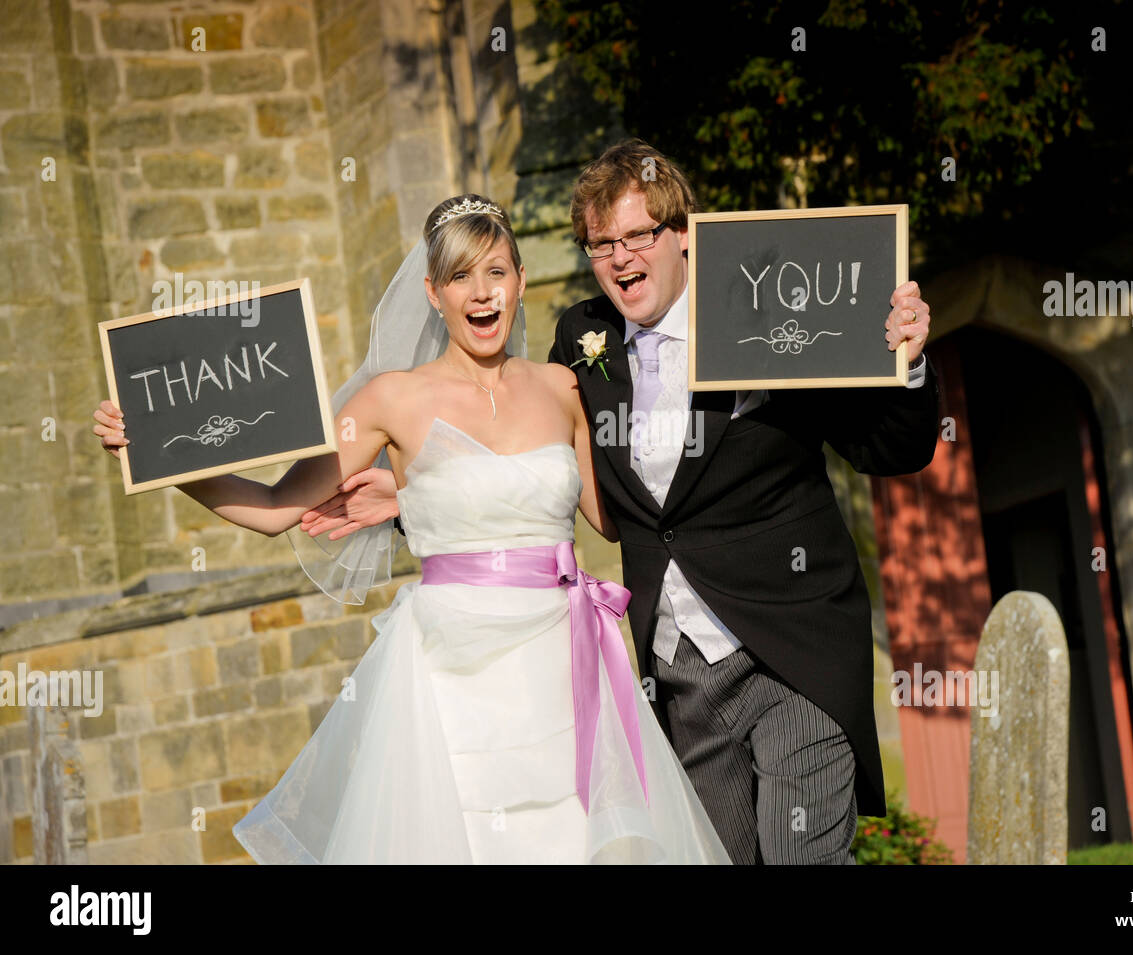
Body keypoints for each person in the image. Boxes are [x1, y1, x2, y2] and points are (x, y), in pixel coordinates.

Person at [298, 143, 940, 865]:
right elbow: (552, 476)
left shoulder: (768, 310)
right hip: (678, 676)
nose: (621, 257)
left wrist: (908, 364)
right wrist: (420, 493)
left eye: (638, 235)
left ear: (683, 234)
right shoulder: (583, 339)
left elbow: (891, 448)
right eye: (602, 244)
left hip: (792, 651)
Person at [92, 193, 732, 865]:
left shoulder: (562, 388)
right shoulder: (390, 400)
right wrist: (161, 457)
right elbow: (275, 507)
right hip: (453, 675)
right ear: (433, 291)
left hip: (565, 666)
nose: (481, 294)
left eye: (495, 272)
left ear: (518, 278)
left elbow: (616, 515)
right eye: (460, 277)